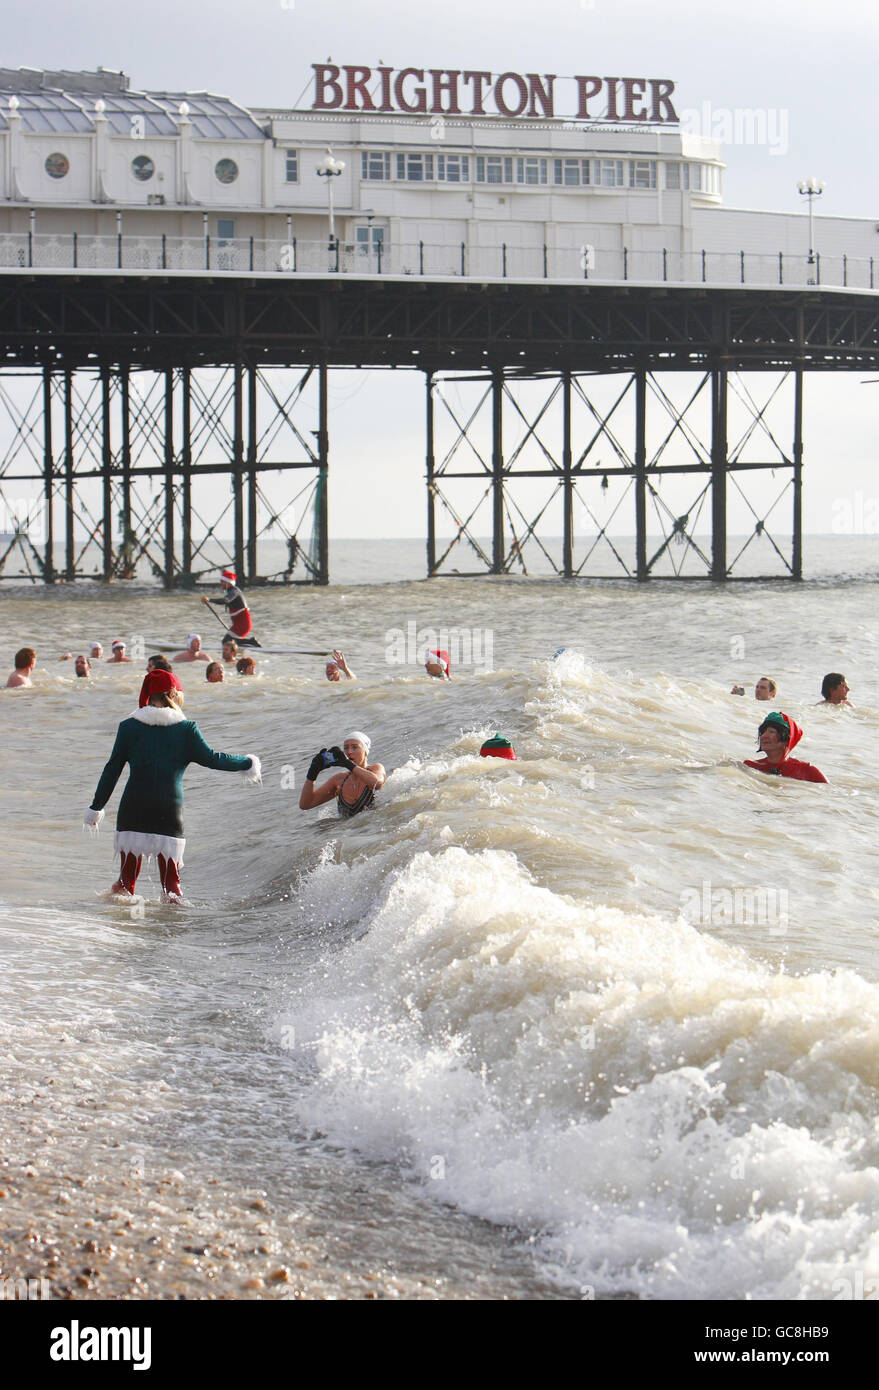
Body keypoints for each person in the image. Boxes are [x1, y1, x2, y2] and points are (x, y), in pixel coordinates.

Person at [83, 668, 260, 902]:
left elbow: (112, 770)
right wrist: (247, 763)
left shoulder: (128, 727)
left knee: (125, 885)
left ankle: (119, 928)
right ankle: (171, 933)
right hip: (169, 811)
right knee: (172, 890)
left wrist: (97, 807)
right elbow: (213, 759)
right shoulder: (186, 730)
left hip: (134, 809)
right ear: (174, 693)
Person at [298, 732, 385, 819]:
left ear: (365, 751)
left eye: (355, 747)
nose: (349, 752)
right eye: (346, 748)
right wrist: (312, 774)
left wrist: (348, 764)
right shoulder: (339, 780)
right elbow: (305, 804)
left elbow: (376, 783)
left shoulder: (375, 768)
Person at [743, 711, 827, 783]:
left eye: (771, 732)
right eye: (763, 732)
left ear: (787, 739)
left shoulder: (808, 771)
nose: (764, 736)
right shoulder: (749, 766)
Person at [201, 568, 253, 642]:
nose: (220, 583)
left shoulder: (234, 591)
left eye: (222, 581)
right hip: (238, 625)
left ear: (228, 582)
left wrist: (209, 600)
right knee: (231, 643)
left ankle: (251, 642)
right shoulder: (231, 591)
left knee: (226, 642)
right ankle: (248, 644)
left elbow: (225, 600)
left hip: (243, 625)